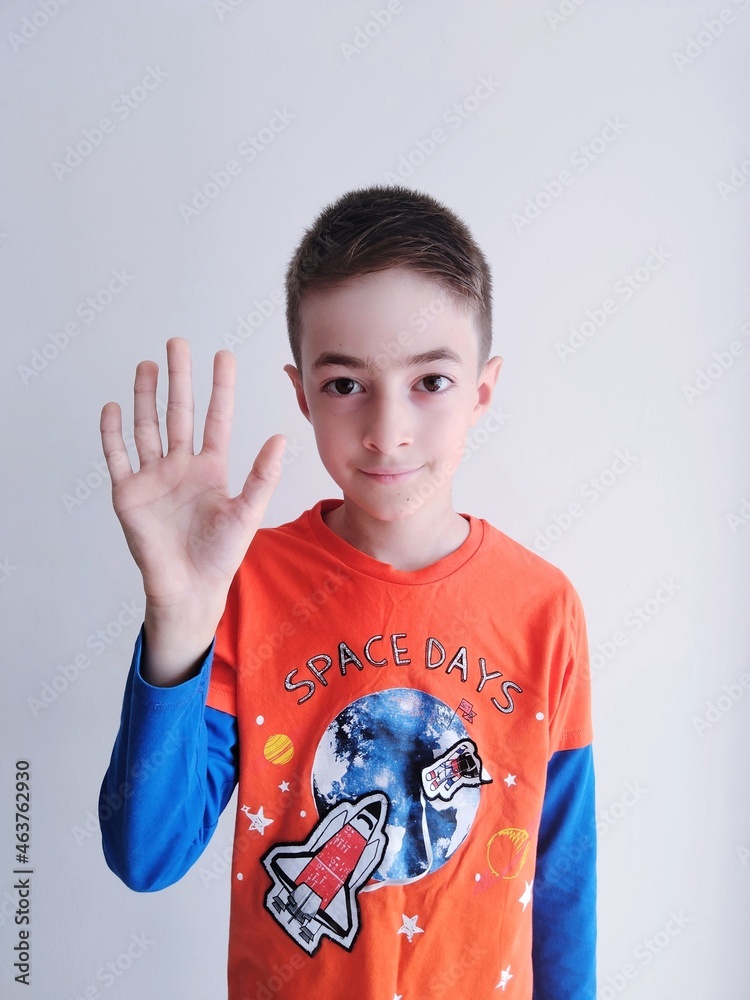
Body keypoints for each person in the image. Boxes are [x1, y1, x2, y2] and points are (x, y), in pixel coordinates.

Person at [99, 184, 596, 999]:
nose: (387, 429)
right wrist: (180, 617)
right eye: (345, 385)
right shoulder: (247, 585)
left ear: (482, 389)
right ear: (301, 393)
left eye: (430, 381)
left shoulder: (544, 608)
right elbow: (146, 854)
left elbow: (565, 881)